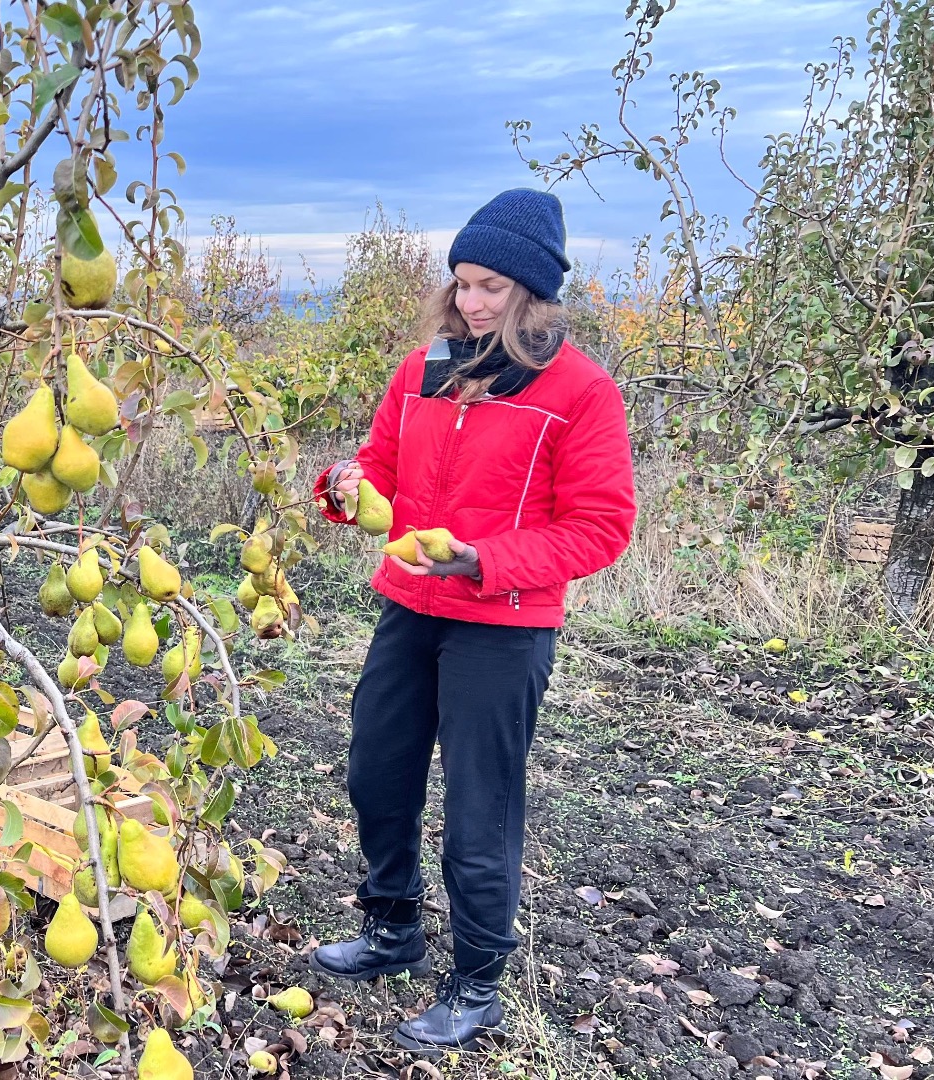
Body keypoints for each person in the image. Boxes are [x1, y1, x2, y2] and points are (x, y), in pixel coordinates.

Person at [307, 189, 636, 1052]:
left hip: (504, 623)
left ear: (532, 291)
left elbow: (601, 527)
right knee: (376, 770)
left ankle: (478, 977)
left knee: (479, 804)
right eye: (460, 282)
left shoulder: (581, 391)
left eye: (489, 284)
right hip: (410, 603)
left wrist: (485, 561)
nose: (470, 300)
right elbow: (376, 465)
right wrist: (344, 487)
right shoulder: (425, 368)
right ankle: (391, 930)